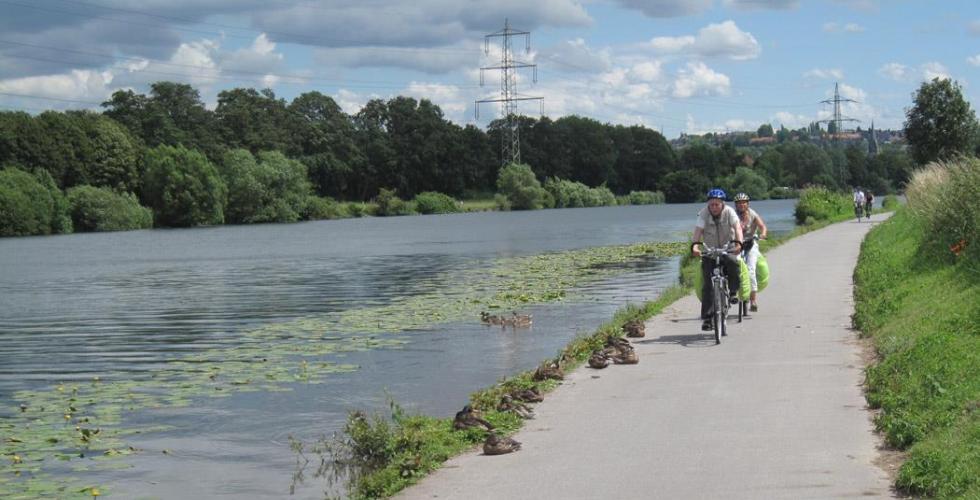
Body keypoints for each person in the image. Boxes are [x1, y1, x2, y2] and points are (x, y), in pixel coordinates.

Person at [691, 188, 744, 331]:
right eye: (711, 204)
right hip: (711, 251)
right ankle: (708, 319)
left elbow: (738, 228)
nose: (714, 207)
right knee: (708, 283)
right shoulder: (703, 214)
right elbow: (697, 232)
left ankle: (733, 291)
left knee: (733, 262)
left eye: (717, 204)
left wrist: (739, 243)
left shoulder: (730, 212)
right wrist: (695, 246)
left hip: (728, 248)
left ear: (722, 204)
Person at [733, 193, 768, 312]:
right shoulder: (732, 215)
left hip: (751, 243)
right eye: (739, 203)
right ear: (736, 205)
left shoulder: (752, 214)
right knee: (733, 265)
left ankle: (753, 300)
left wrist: (763, 234)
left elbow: (762, 226)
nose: (741, 205)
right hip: (737, 244)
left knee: (750, 269)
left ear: (747, 204)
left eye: (744, 202)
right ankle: (733, 292)